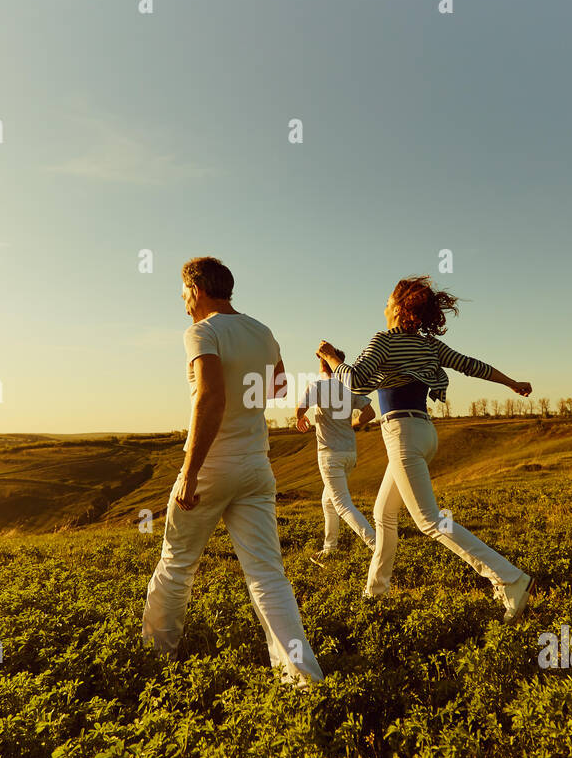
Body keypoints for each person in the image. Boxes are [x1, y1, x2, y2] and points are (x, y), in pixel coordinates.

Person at [143, 257, 323, 686]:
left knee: (178, 561)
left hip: (212, 465)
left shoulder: (201, 332)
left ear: (197, 288)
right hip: (256, 465)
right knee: (267, 572)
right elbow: (278, 387)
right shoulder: (262, 331)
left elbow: (208, 399)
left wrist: (190, 470)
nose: (182, 300)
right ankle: (302, 678)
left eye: (183, 291)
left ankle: (155, 655)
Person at [317, 276, 534, 621]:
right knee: (384, 515)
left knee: (429, 521)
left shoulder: (385, 341)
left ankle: (510, 578)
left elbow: (356, 379)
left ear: (399, 308)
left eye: (388, 299)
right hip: (424, 431)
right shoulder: (430, 346)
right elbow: (471, 365)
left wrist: (331, 359)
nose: (383, 304)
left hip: (402, 433)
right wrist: (512, 383)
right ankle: (375, 593)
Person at [295, 347, 376, 565]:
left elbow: (300, 408)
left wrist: (300, 418)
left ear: (321, 364)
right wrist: (353, 423)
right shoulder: (350, 387)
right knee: (328, 501)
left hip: (330, 454)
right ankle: (329, 550)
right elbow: (370, 413)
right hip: (349, 453)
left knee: (341, 504)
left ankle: (377, 546)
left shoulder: (317, 386)